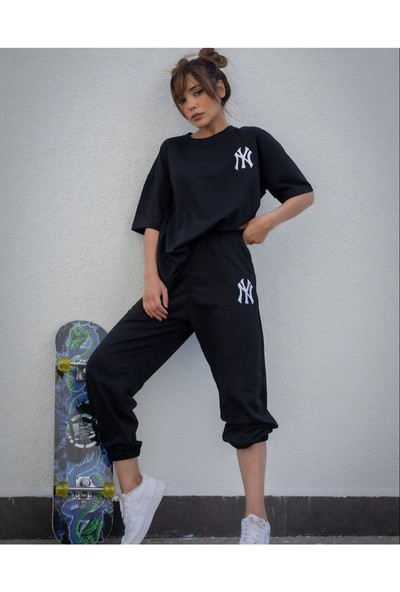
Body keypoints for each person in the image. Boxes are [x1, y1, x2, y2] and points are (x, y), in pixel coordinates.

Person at [86, 48, 314, 544]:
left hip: (229, 277)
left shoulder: (253, 142)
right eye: (181, 99)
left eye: (196, 93)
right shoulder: (173, 151)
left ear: (219, 89)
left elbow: (302, 192)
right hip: (173, 278)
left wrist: (266, 223)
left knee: (244, 396)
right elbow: (153, 218)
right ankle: (135, 488)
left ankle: (255, 521)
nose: (190, 105)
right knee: (105, 369)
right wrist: (151, 277)